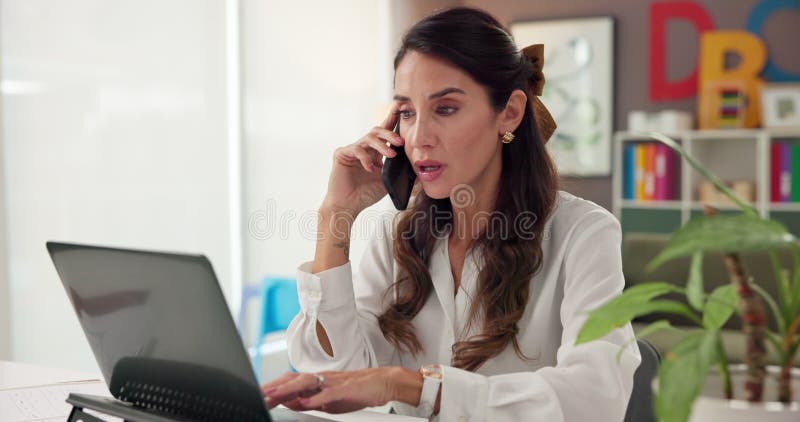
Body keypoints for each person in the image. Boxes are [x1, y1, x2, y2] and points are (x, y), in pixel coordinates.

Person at [261, 6, 641, 421]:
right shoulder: (395, 233)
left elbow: (596, 397)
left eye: (445, 109)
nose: (419, 137)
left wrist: (405, 385)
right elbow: (337, 380)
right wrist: (335, 215)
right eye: (406, 112)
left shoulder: (582, 233)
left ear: (510, 113)